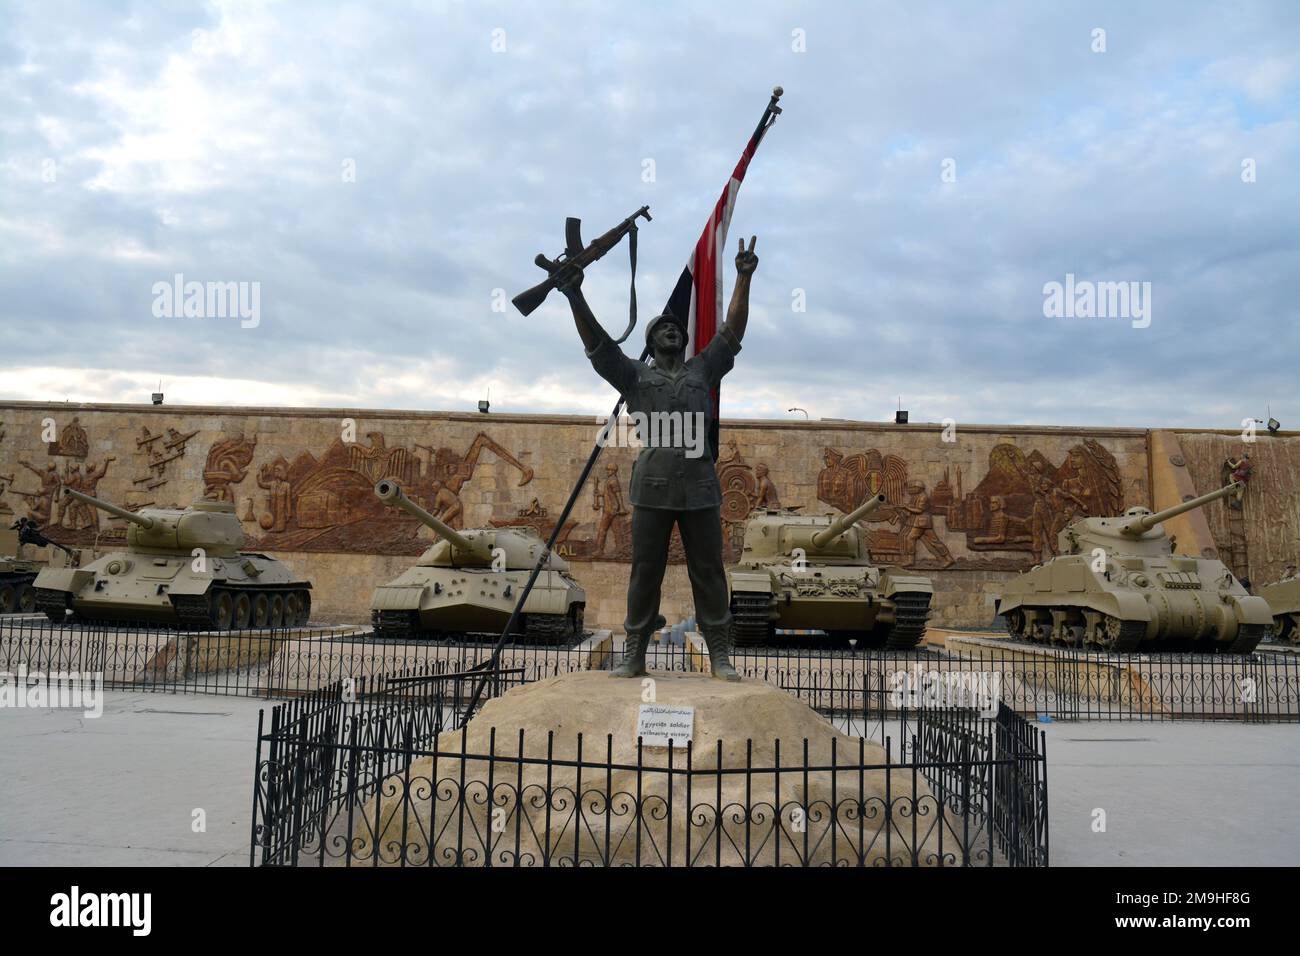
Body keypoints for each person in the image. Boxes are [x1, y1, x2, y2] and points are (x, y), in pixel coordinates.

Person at [556, 236, 760, 680]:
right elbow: (598, 346)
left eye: (675, 327)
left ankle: (721, 654)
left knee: (708, 571)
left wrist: (743, 277)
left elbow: (733, 332)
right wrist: (575, 294)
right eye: (661, 328)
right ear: (650, 342)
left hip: (701, 485)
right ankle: (634, 653)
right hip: (651, 485)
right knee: (645, 570)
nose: (672, 329)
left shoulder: (701, 369)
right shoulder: (634, 375)